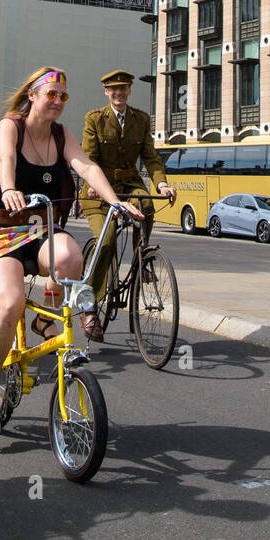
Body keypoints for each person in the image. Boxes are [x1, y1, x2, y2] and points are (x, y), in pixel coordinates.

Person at [0, 67, 143, 438]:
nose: (58, 102)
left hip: (39, 229)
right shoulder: (10, 126)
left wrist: (115, 202)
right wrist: (8, 189)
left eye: (63, 97)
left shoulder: (62, 134)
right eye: (51, 94)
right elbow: (7, 164)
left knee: (70, 257)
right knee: (12, 301)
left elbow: (86, 165)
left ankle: (44, 317)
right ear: (32, 95)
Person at [78, 69, 176, 341]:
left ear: (130, 91)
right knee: (107, 241)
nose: (119, 93)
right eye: (114, 90)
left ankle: (140, 257)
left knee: (146, 203)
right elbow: (88, 159)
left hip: (129, 184)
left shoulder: (141, 120)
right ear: (107, 92)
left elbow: (151, 157)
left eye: (123, 89)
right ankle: (89, 305)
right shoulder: (94, 119)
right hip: (98, 189)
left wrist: (162, 184)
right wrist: (94, 187)